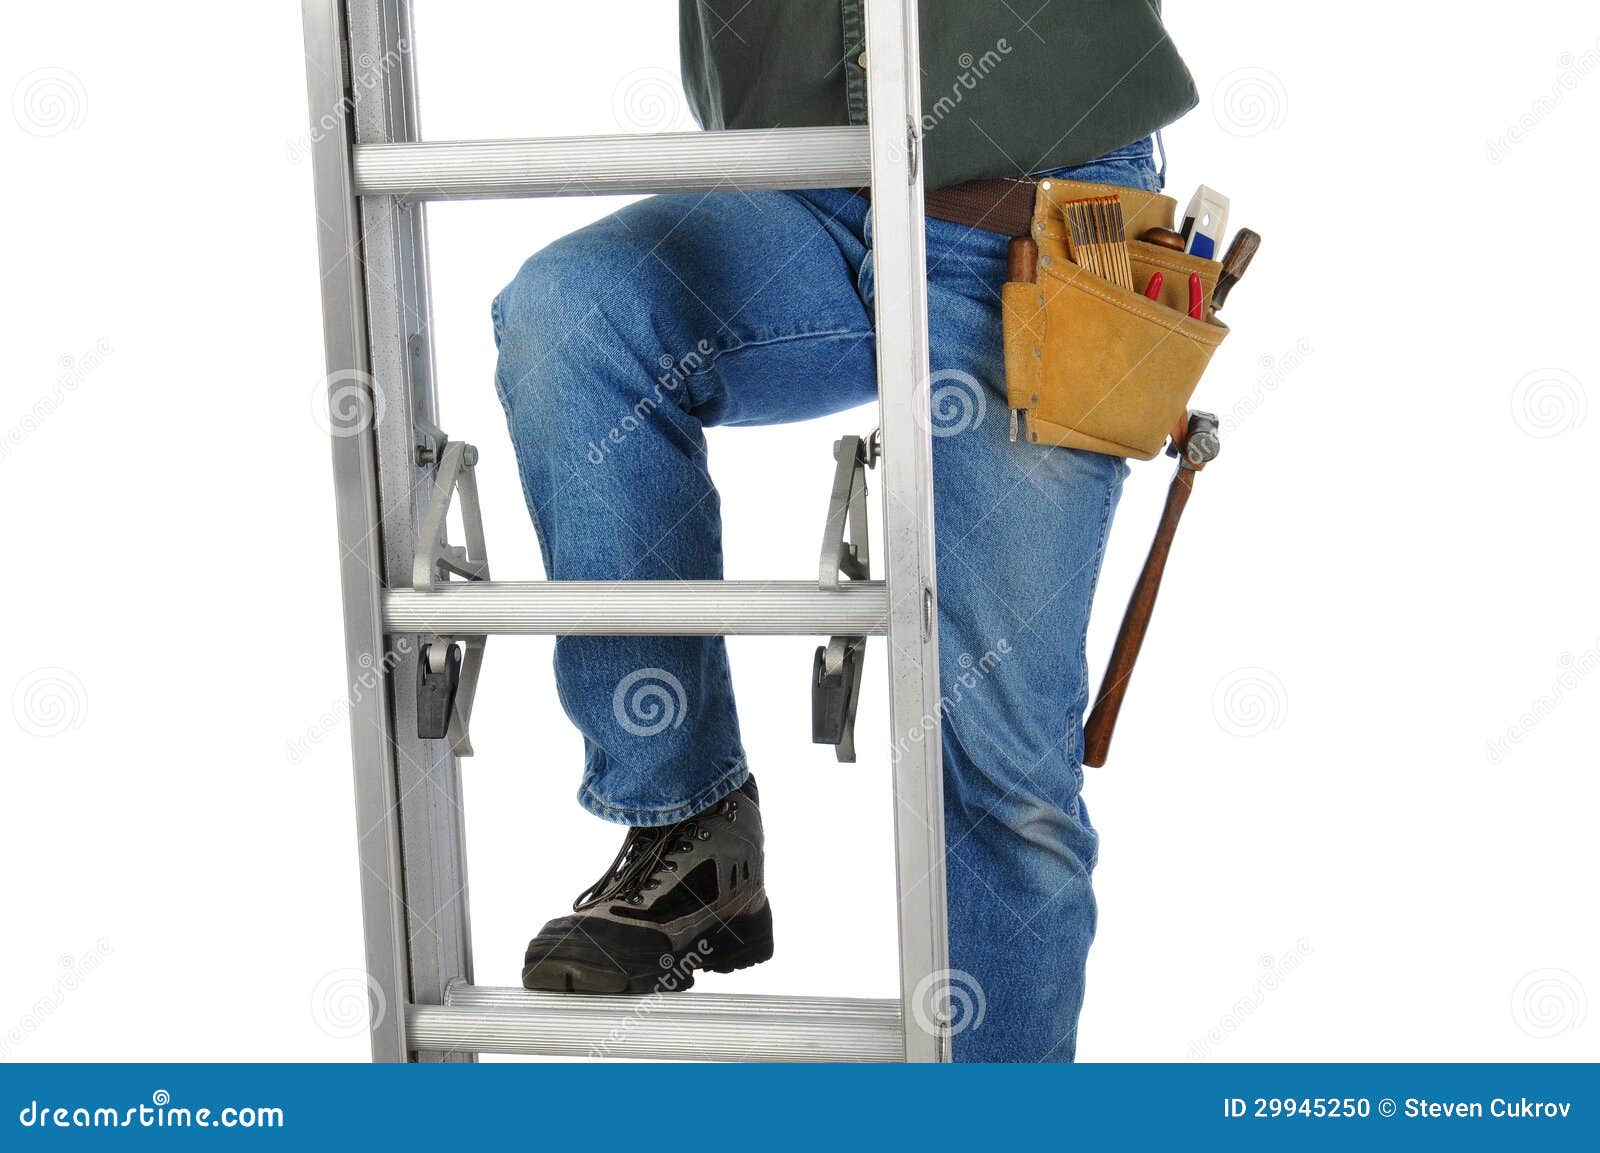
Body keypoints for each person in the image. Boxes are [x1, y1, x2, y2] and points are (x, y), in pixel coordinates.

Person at [490, 2, 1196, 1062]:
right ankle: (688, 823)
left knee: (1001, 760)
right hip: (802, 193)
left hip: (1032, 210)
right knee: (575, 312)